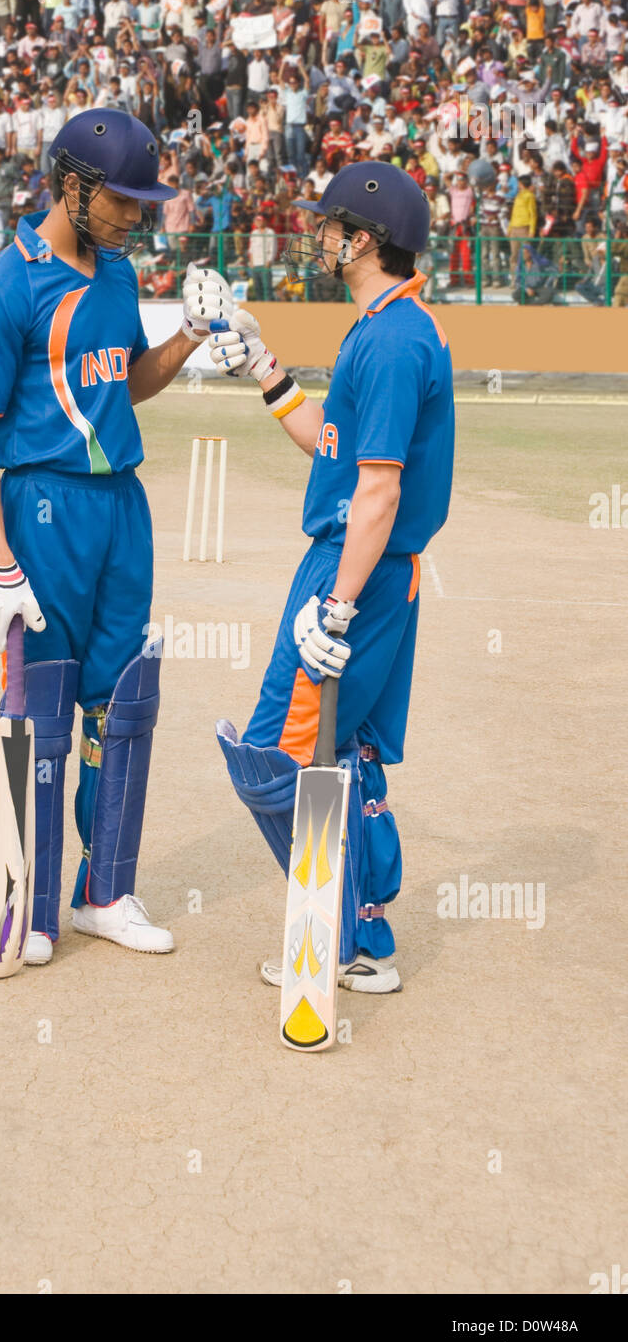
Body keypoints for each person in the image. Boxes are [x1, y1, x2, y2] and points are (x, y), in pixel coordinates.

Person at [0, 109, 233, 965]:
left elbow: (126, 385)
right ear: (68, 184)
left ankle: (103, 893)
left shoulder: (114, 275)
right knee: (41, 712)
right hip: (42, 508)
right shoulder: (4, 286)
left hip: (123, 509)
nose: (136, 215)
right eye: (122, 198)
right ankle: (30, 911)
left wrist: (189, 335)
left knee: (121, 706)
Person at [210, 161, 454, 999]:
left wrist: (337, 606)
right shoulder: (387, 324)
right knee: (344, 753)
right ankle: (366, 935)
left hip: (358, 567)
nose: (318, 237)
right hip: (370, 565)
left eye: (328, 227)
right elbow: (334, 447)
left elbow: (378, 490)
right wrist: (263, 369)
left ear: (362, 239)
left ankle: (335, 931)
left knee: (275, 754)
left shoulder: (389, 339)